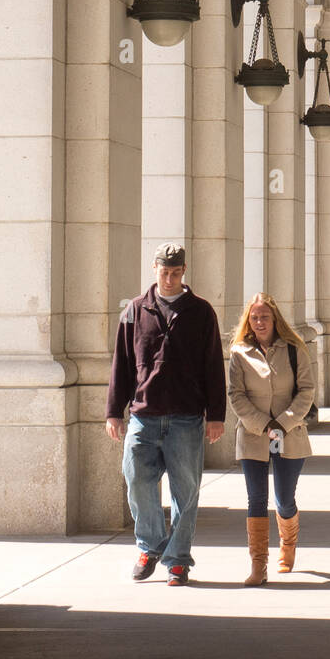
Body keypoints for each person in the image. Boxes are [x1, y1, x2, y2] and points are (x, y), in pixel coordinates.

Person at [106, 243, 226, 586]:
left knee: (185, 493)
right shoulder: (134, 310)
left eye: (175, 273)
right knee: (136, 480)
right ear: (154, 270)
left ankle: (177, 560)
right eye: (164, 272)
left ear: (184, 271)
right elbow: (122, 366)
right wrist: (114, 411)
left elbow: (212, 366)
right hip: (144, 415)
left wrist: (216, 414)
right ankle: (151, 545)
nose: (169, 278)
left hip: (187, 418)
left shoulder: (201, 312)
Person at [228, 294, 314, 585]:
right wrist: (263, 424)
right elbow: (235, 395)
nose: (260, 322)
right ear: (248, 321)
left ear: (275, 319)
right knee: (255, 499)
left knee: (284, 499)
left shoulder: (293, 349)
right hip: (254, 435)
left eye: (265, 317)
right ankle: (258, 565)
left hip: (288, 434)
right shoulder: (239, 352)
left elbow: (306, 390)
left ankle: (288, 546)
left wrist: (283, 422)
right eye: (255, 317)